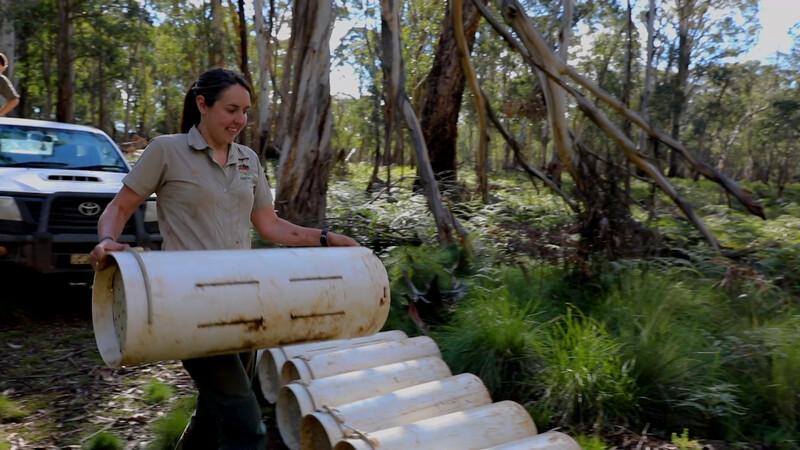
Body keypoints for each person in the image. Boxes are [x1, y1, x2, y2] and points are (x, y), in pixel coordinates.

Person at [89, 67, 358, 449]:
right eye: (231, 110)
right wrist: (106, 240)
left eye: (245, 111)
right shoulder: (167, 151)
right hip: (188, 304)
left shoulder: (248, 159)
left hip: (245, 298)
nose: (240, 120)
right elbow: (119, 207)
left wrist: (327, 238)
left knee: (215, 412)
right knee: (246, 424)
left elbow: (271, 226)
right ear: (203, 104)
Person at [0, 53, 19, 117]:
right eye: (4, 66)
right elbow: (14, 100)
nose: (4, 69)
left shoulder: (1, 80)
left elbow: (14, 100)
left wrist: (1, 113)